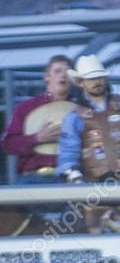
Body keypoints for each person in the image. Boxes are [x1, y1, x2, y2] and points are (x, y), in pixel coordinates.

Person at [56, 55, 120, 232]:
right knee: (92, 233)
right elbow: (67, 151)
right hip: (94, 187)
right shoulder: (74, 117)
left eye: (99, 77)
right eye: (91, 79)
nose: (97, 82)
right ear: (81, 82)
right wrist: (72, 173)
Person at [2, 54, 76, 185]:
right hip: (33, 178)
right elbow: (8, 144)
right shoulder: (25, 108)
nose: (63, 75)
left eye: (67, 72)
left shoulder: (81, 110)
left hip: (70, 178)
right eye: (58, 71)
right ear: (47, 77)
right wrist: (37, 138)